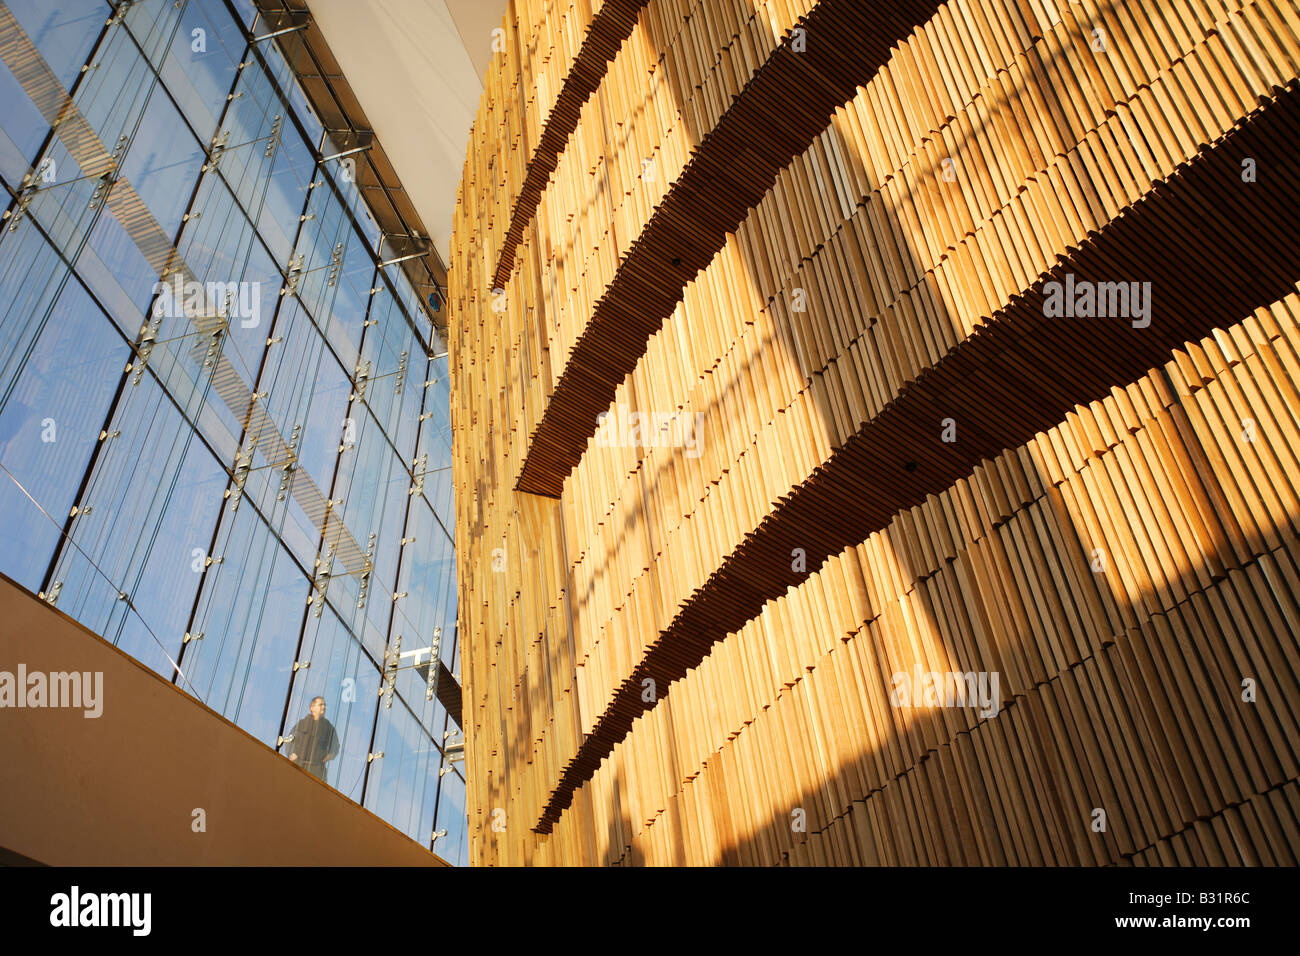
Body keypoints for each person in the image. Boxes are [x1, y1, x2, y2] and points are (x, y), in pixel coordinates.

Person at [287, 696, 339, 783]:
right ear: (312, 707)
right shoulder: (302, 723)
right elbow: (289, 739)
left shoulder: (328, 727)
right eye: (321, 704)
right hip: (298, 766)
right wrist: (291, 753)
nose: (324, 707)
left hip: (317, 771)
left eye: (324, 705)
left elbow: (335, 746)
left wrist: (330, 756)